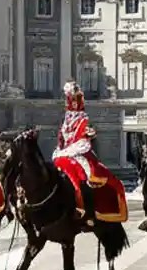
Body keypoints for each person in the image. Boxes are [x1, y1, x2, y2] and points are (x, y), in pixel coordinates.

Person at [52, 80, 127, 222]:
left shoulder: (83, 117)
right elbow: (62, 136)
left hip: (80, 150)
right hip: (64, 152)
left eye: (76, 100)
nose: (74, 103)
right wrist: (61, 146)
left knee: (85, 176)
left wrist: (87, 134)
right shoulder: (66, 118)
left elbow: (81, 134)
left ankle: (89, 211)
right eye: (71, 100)